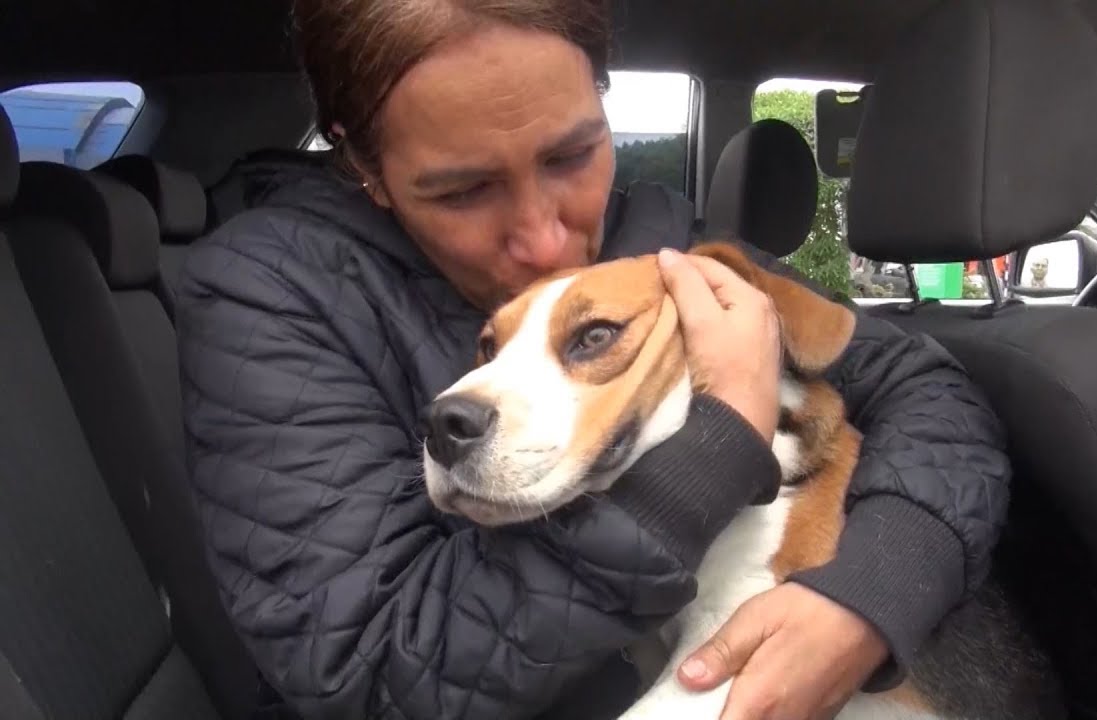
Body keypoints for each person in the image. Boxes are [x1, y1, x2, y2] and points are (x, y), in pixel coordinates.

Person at [174, 1, 1012, 719]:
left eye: (572, 156)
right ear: (367, 168)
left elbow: (927, 392)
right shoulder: (269, 296)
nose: (545, 239)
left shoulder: (668, 244)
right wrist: (716, 445)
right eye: (462, 190)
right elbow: (368, 667)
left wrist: (874, 590)